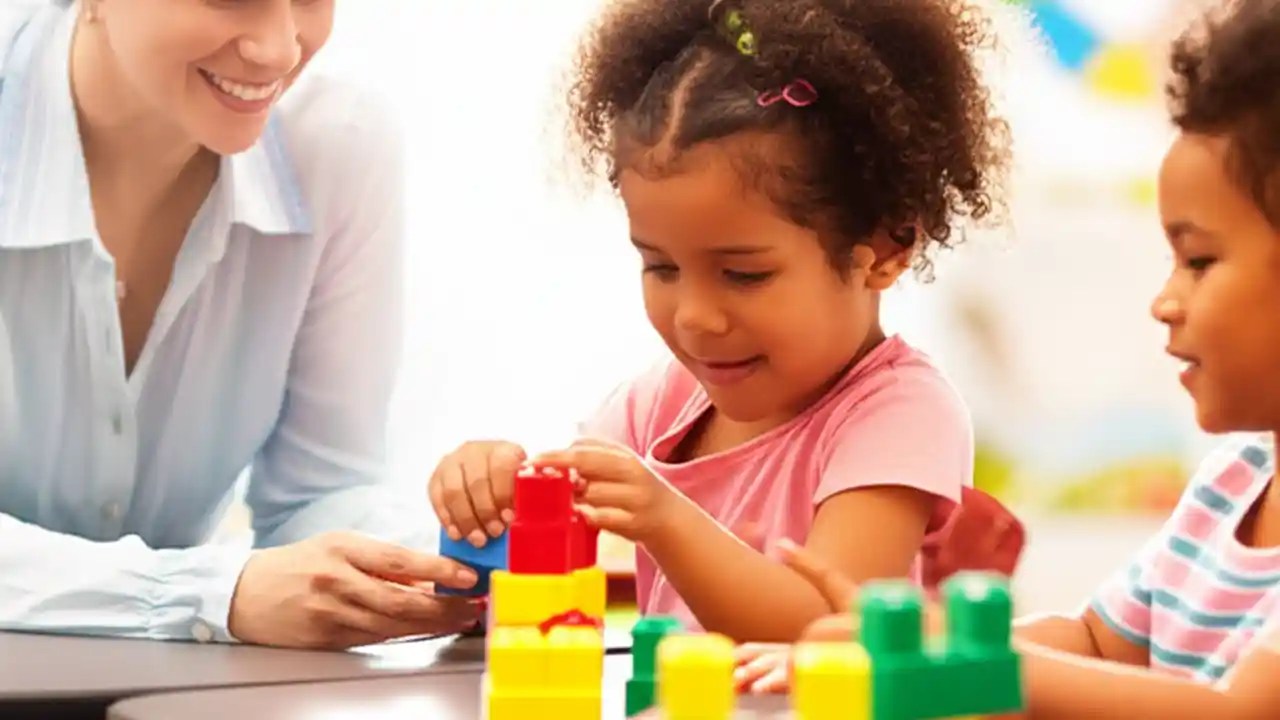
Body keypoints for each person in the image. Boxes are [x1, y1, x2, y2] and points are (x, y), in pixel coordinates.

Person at [738, 1, 1280, 715]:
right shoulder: (1232, 484)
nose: (1165, 300)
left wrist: (985, 665)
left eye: (1200, 261)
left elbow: (1239, 713)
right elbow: (1094, 640)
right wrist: (929, 643)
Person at [429, 0, 1013, 642]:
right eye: (661, 268)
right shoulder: (664, 402)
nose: (695, 318)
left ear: (887, 247)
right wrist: (494, 506)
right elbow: (526, 598)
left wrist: (665, 519)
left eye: (744, 274)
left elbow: (826, 627)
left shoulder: (901, 414)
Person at [0, 0, 480, 650]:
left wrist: (465, 572)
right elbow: (228, 593)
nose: (280, 48)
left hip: (157, 696)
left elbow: (319, 496)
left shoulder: (337, 145)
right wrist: (207, 594)